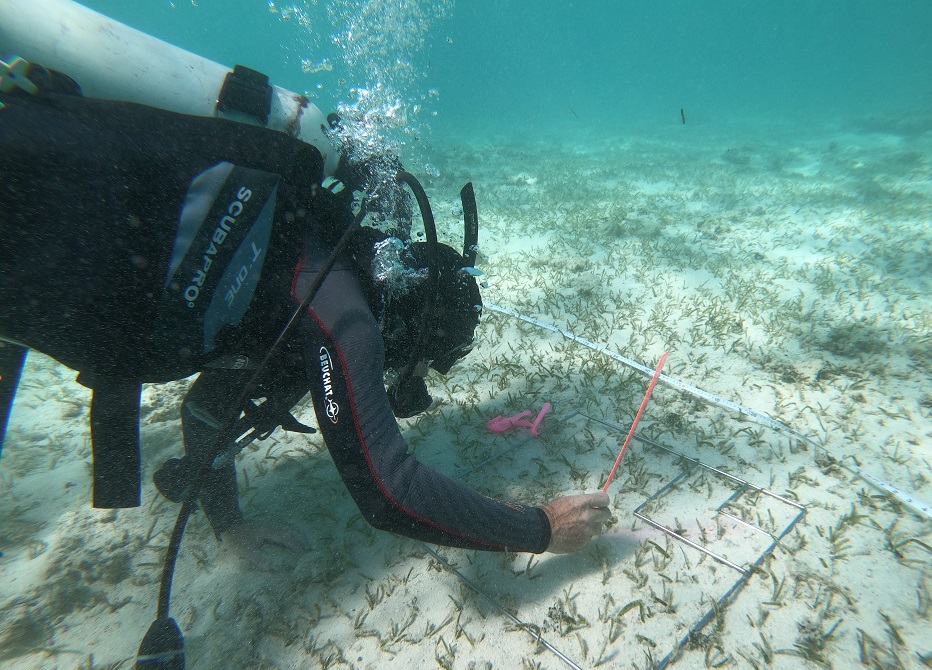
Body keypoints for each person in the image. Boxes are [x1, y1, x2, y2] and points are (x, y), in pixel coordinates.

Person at [0, 57, 612, 561]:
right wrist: (542, 529)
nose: (407, 379)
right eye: (418, 364)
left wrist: (229, 525)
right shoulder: (341, 315)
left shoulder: (288, 259)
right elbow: (387, 489)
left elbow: (205, 410)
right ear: (408, 325)